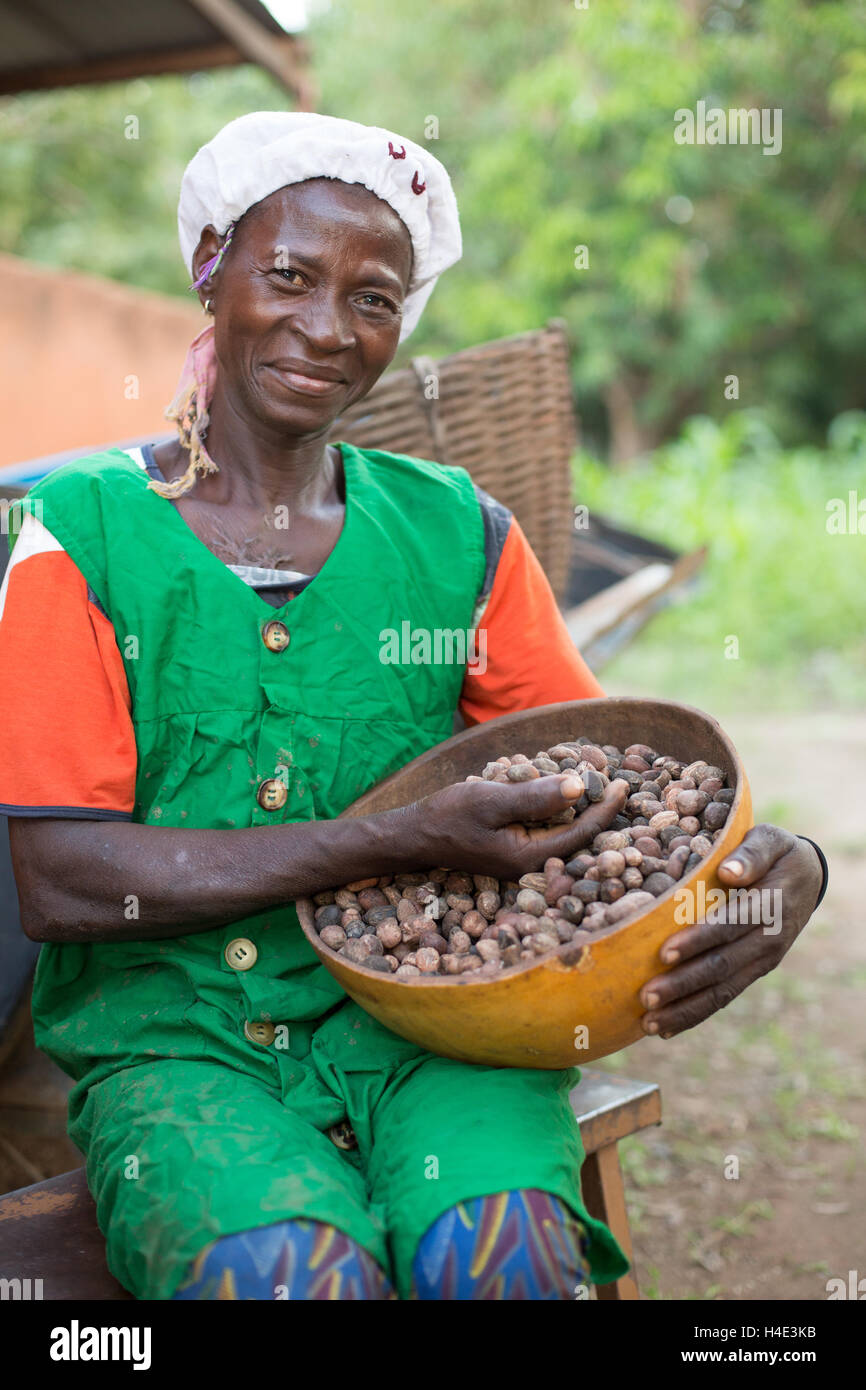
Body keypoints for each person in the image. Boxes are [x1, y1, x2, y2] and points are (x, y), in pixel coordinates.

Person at [0, 112, 827, 1301]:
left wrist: (786, 865)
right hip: (177, 1043)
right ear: (210, 268)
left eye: (374, 299)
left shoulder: (455, 532)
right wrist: (383, 841)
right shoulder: (81, 533)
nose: (327, 328)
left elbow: (630, 784)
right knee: (293, 1275)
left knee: (499, 1256)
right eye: (287, 275)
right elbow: (64, 879)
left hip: (445, 1027)